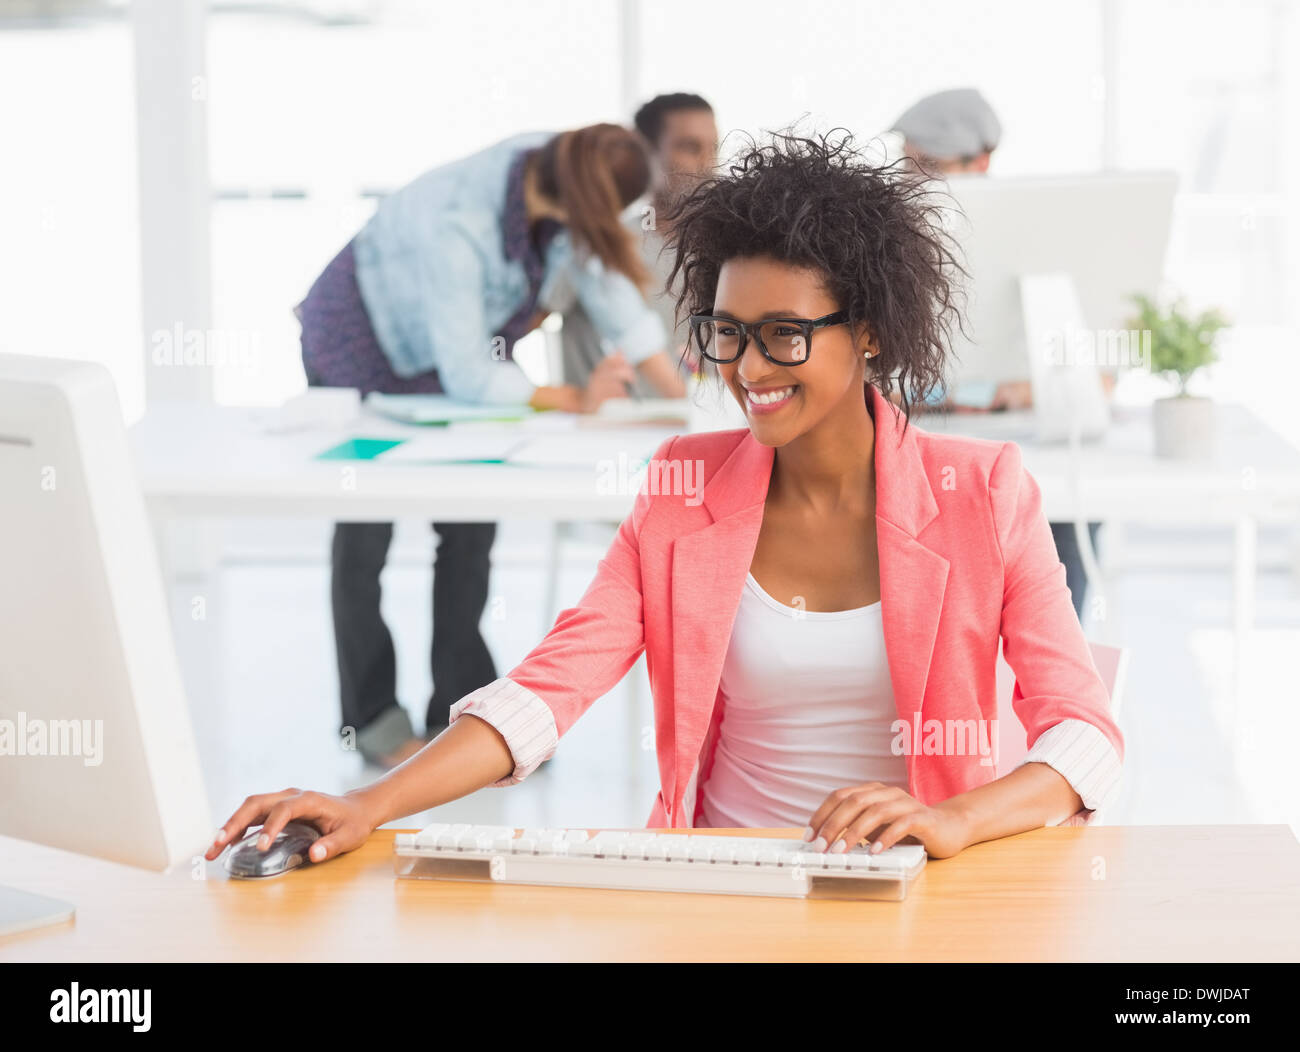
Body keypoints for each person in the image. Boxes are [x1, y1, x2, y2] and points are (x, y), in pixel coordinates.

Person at [210, 130, 1122, 869]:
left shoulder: (984, 488)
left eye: (783, 337)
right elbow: (551, 686)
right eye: (726, 334)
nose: (747, 370)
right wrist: (370, 803)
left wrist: (957, 818)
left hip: (919, 890)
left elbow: (1082, 735)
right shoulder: (687, 485)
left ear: (872, 331)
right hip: (722, 882)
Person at [294, 124, 686, 770]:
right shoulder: (464, 223)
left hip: (455, 353)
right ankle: (372, 721)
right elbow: (471, 375)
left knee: (470, 522)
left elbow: (612, 293)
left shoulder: (569, 171)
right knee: (366, 533)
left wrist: (678, 400)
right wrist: (571, 399)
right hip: (360, 337)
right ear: (581, 206)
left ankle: (463, 712)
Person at [892, 88, 1105, 621]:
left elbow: (1101, 374)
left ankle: (1053, 690)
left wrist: (1013, 392)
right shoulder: (891, 237)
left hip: (1032, 442)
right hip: (927, 445)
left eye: (930, 165)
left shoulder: (1043, 234)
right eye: (907, 164)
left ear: (979, 162)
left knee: (1054, 575)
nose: (914, 181)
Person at [556, 93, 718, 391]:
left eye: (714, 148)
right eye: (689, 147)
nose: (707, 164)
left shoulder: (728, 253)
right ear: (645, 153)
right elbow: (510, 325)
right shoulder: (597, 243)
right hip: (609, 432)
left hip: (702, 431)